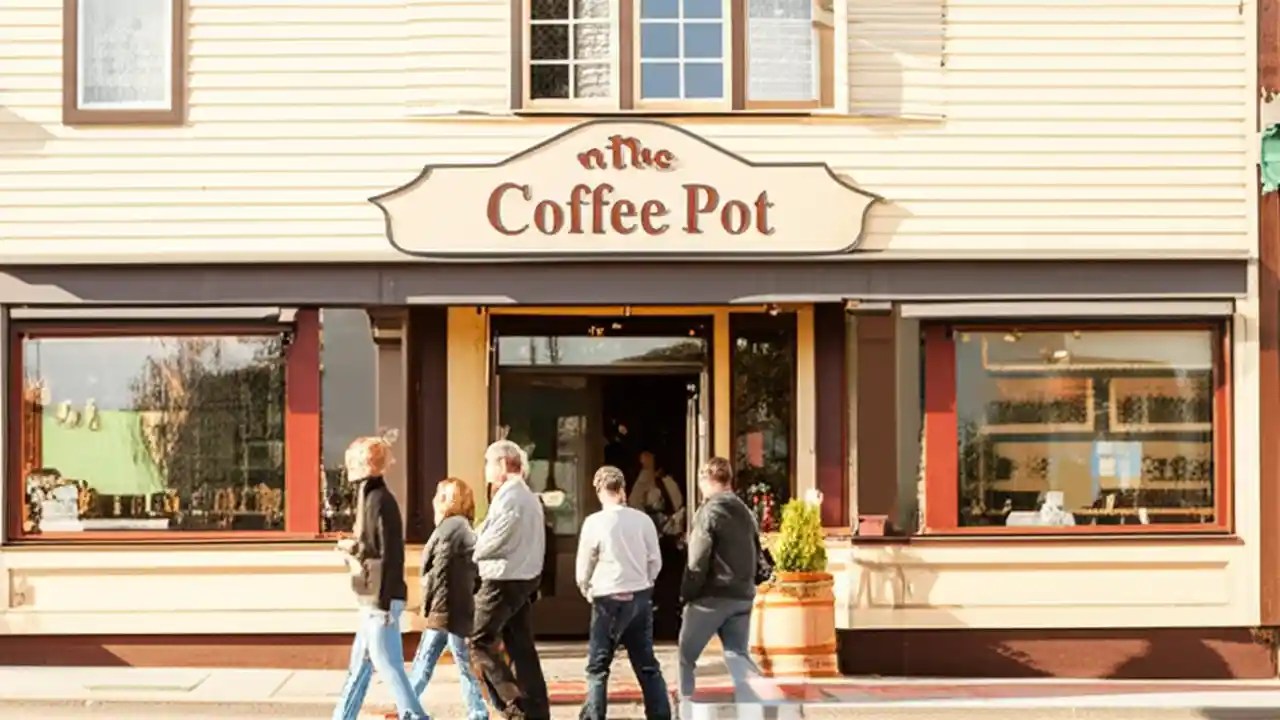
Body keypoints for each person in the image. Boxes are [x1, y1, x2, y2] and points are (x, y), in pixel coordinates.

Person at [332, 437, 430, 720]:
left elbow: (390, 555)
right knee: (360, 666)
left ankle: (416, 716)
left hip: (380, 599)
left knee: (387, 664)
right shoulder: (370, 496)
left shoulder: (378, 499)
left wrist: (385, 603)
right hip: (374, 596)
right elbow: (376, 548)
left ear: (366, 463)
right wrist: (355, 548)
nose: (348, 466)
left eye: (353, 460)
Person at [575, 465, 672, 720]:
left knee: (598, 667)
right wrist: (646, 582)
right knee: (647, 664)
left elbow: (584, 564)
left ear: (598, 491)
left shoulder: (594, 522)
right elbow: (655, 560)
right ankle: (660, 714)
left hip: (606, 596)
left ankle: (594, 715)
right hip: (638, 595)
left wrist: (587, 588)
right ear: (623, 490)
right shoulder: (643, 521)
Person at [678, 456, 766, 716]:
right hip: (742, 595)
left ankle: (685, 708)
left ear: (706, 480)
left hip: (711, 598)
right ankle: (756, 708)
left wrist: (687, 593)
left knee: (686, 656)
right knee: (737, 655)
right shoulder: (745, 512)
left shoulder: (708, 512)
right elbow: (757, 550)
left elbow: (698, 559)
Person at [470, 440, 550, 720]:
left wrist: (470, 549)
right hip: (522, 578)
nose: (485, 470)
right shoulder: (525, 496)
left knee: (478, 641)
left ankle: (513, 706)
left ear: (503, 464)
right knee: (521, 647)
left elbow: (492, 540)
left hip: (502, 579)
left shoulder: (512, 497)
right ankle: (537, 711)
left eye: (488, 463)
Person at [408, 477, 488, 720]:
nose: (434, 500)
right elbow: (475, 572)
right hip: (458, 607)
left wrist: (430, 604)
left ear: (450, 501)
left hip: (445, 608)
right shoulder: (462, 527)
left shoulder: (450, 528)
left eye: (439, 496)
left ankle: (408, 708)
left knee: (426, 660)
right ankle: (477, 710)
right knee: (461, 661)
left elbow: (438, 570)